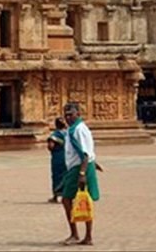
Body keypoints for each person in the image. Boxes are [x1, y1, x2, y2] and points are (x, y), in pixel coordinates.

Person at [60, 101, 100, 246]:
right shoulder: (73, 129)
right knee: (82, 200)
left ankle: (77, 234)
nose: (68, 118)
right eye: (66, 115)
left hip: (80, 168)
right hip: (79, 167)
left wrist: (82, 173)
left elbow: (85, 153)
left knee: (69, 199)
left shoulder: (79, 130)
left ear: (78, 114)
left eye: (71, 114)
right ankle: (84, 235)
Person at [48, 117, 68, 203]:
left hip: (58, 157)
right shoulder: (68, 134)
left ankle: (56, 195)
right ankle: (67, 194)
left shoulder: (55, 135)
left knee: (56, 176)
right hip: (67, 156)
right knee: (66, 175)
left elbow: (51, 146)